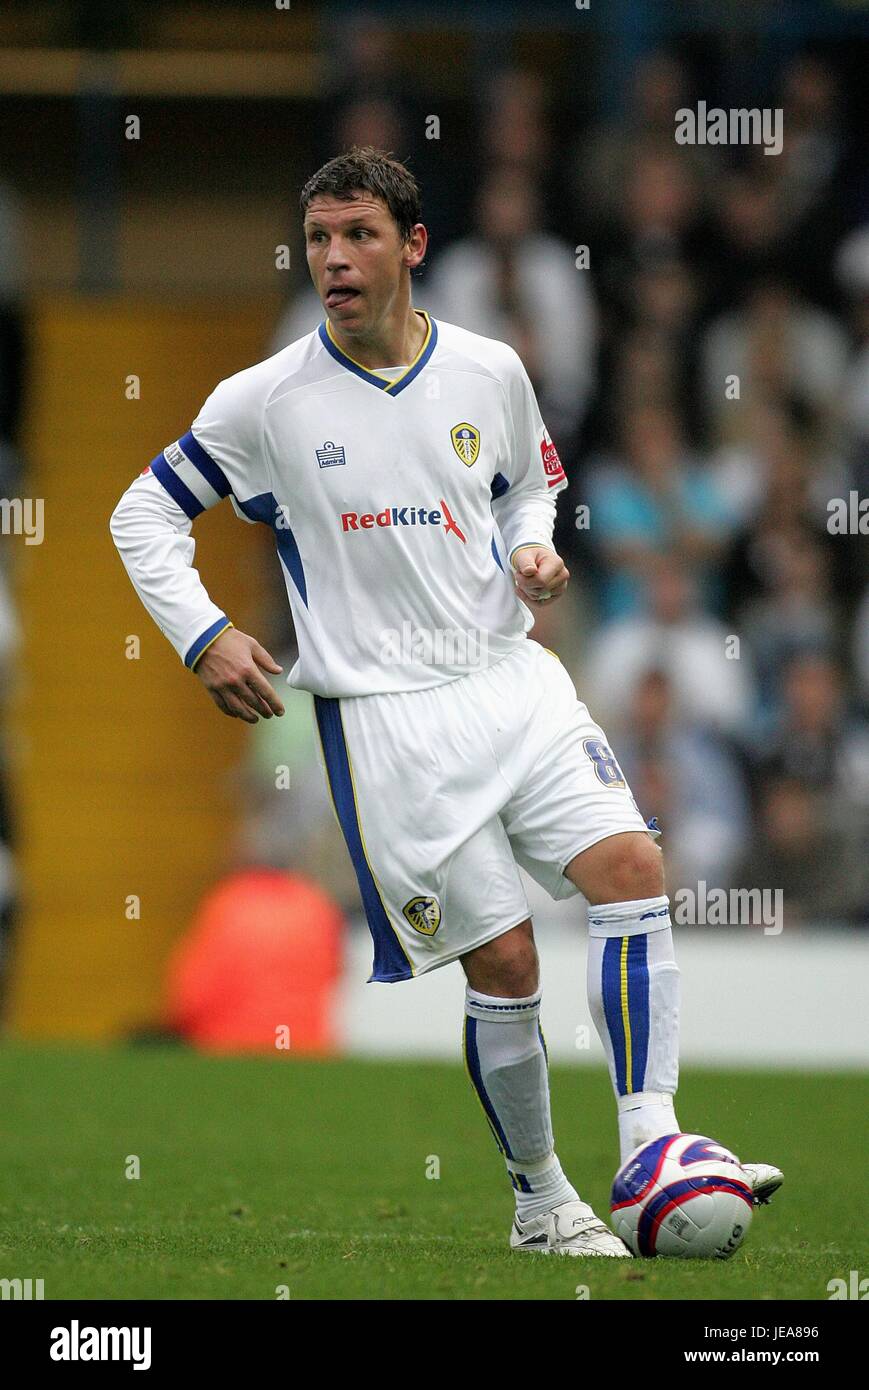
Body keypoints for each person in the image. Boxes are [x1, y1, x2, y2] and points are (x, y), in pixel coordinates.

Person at [110, 147, 781, 1257]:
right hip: (389, 718)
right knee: (506, 961)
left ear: (412, 246)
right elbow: (142, 512)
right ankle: (537, 1201)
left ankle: (649, 1144)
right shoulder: (266, 399)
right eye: (319, 237)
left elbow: (533, 481)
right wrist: (205, 635)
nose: (335, 257)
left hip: (509, 677)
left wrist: (530, 550)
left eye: (359, 234)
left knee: (629, 869)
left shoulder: (487, 369)